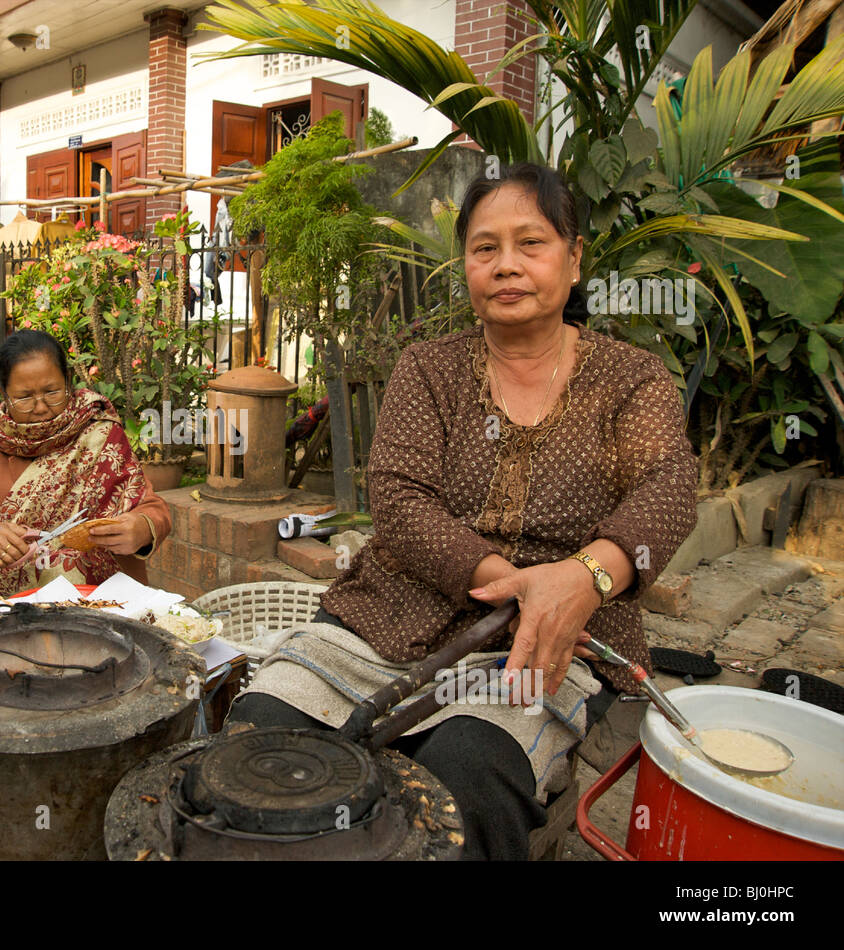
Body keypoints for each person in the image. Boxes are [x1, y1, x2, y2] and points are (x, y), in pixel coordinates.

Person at [225, 163, 698, 860]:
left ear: (573, 260)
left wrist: (584, 578)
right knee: (261, 733)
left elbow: (669, 485)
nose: (506, 265)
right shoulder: (429, 367)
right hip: (388, 618)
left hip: (544, 643)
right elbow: (398, 495)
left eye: (530, 243)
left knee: (466, 771)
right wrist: (501, 574)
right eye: (485, 248)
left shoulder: (632, 379)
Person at [0, 329, 172, 612]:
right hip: (15, 578)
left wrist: (140, 527)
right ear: (4, 393)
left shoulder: (99, 430)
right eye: (24, 397)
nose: (41, 407)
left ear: (68, 382)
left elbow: (152, 507)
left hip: (99, 585)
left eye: (52, 392)